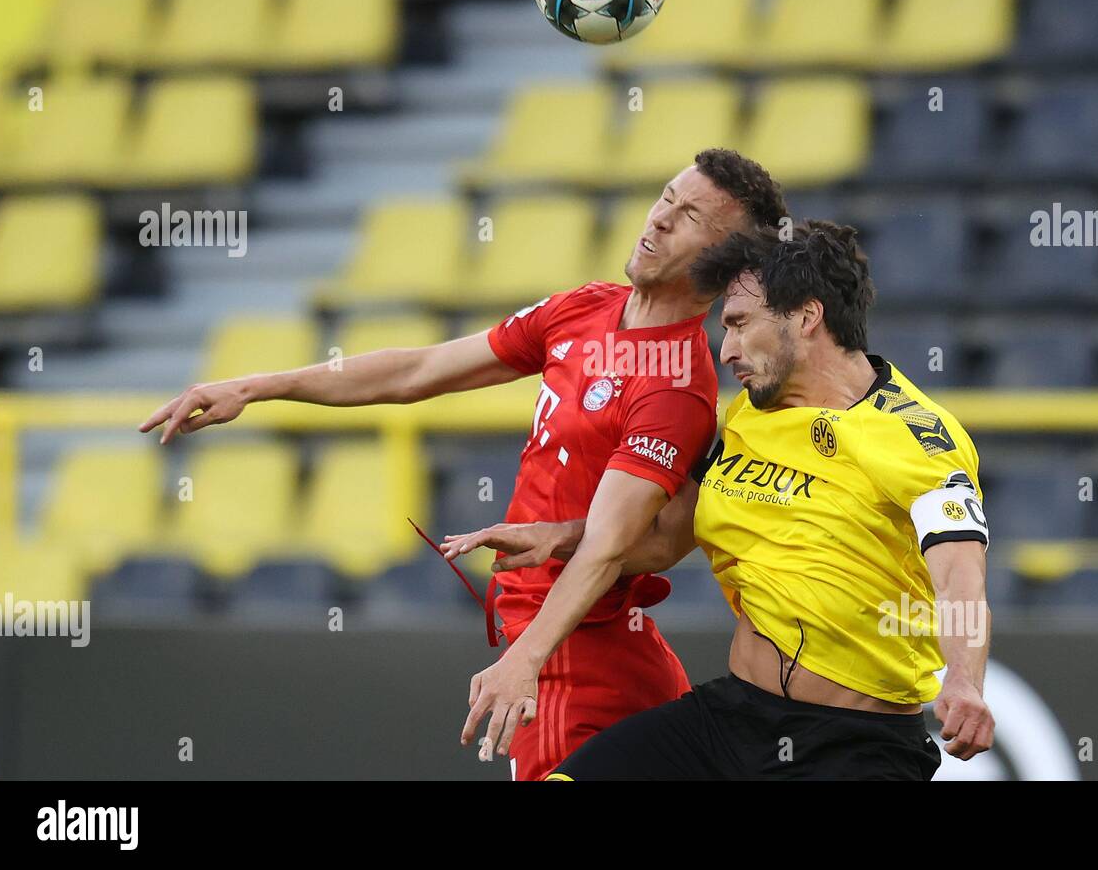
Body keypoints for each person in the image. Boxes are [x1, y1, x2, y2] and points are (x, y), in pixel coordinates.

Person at [138, 148, 790, 781]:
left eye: (689, 217)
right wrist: (258, 386)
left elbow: (609, 548)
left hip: (576, 668)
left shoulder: (674, 388)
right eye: (665, 199)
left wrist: (526, 660)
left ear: (720, 259)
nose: (658, 218)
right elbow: (419, 369)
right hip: (595, 656)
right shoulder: (583, 308)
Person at [443, 219, 995, 779]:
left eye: (739, 323)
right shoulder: (747, 417)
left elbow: (959, 576)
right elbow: (662, 541)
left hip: (854, 748)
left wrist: (965, 681)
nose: (725, 347)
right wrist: (557, 536)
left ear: (807, 316)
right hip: (731, 721)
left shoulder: (916, 435)